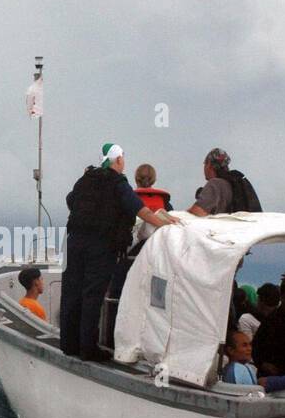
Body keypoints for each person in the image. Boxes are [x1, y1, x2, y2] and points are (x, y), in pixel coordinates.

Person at [60, 142, 175, 360]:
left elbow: (71, 201)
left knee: (72, 293)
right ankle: (87, 349)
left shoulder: (86, 179)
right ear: (119, 160)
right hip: (101, 246)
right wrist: (165, 224)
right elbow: (140, 210)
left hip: (74, 242)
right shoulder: (118, 183)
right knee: (92, 296)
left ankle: (68, 343)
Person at [186, 148, 262, 216]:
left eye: (205, 163)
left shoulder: (215, 184)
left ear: (209, 164)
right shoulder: (236, 182)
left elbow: (199, 212)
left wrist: (186, 213)